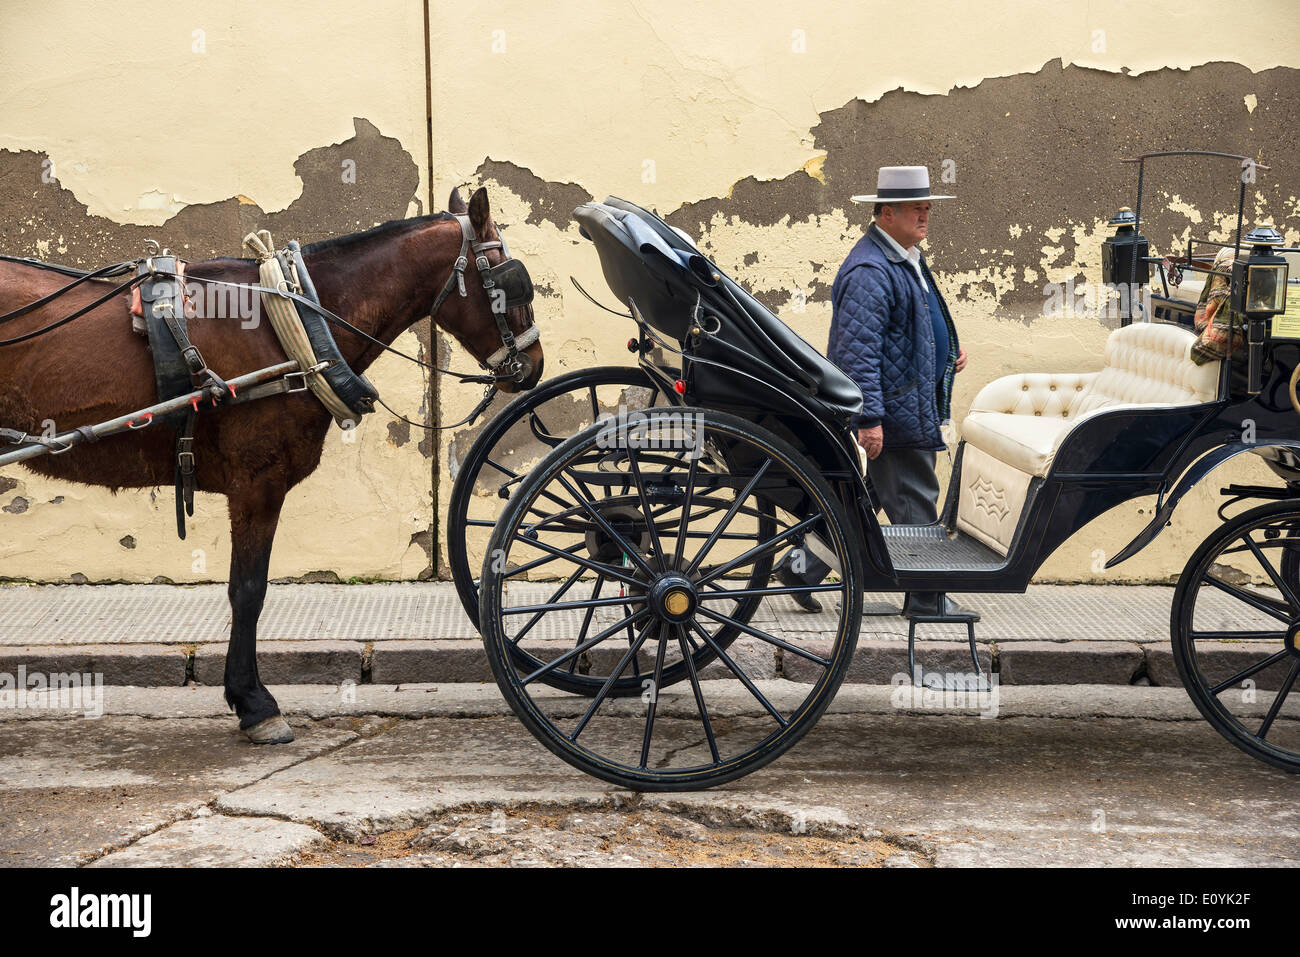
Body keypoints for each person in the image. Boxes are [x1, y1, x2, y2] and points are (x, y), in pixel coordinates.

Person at [776, 165, 975, 620]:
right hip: (895, 415)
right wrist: (868, 420)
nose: (925, 216)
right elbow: (856, 353)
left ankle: (801, 569)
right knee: (915, 498)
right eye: (915, 209)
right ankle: (926, 598)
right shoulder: (870, 269)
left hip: (903, 407)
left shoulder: (905, 256)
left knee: (865, 502)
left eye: (927, 208)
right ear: (886, 213)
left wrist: (947, 351)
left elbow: (918, 322)